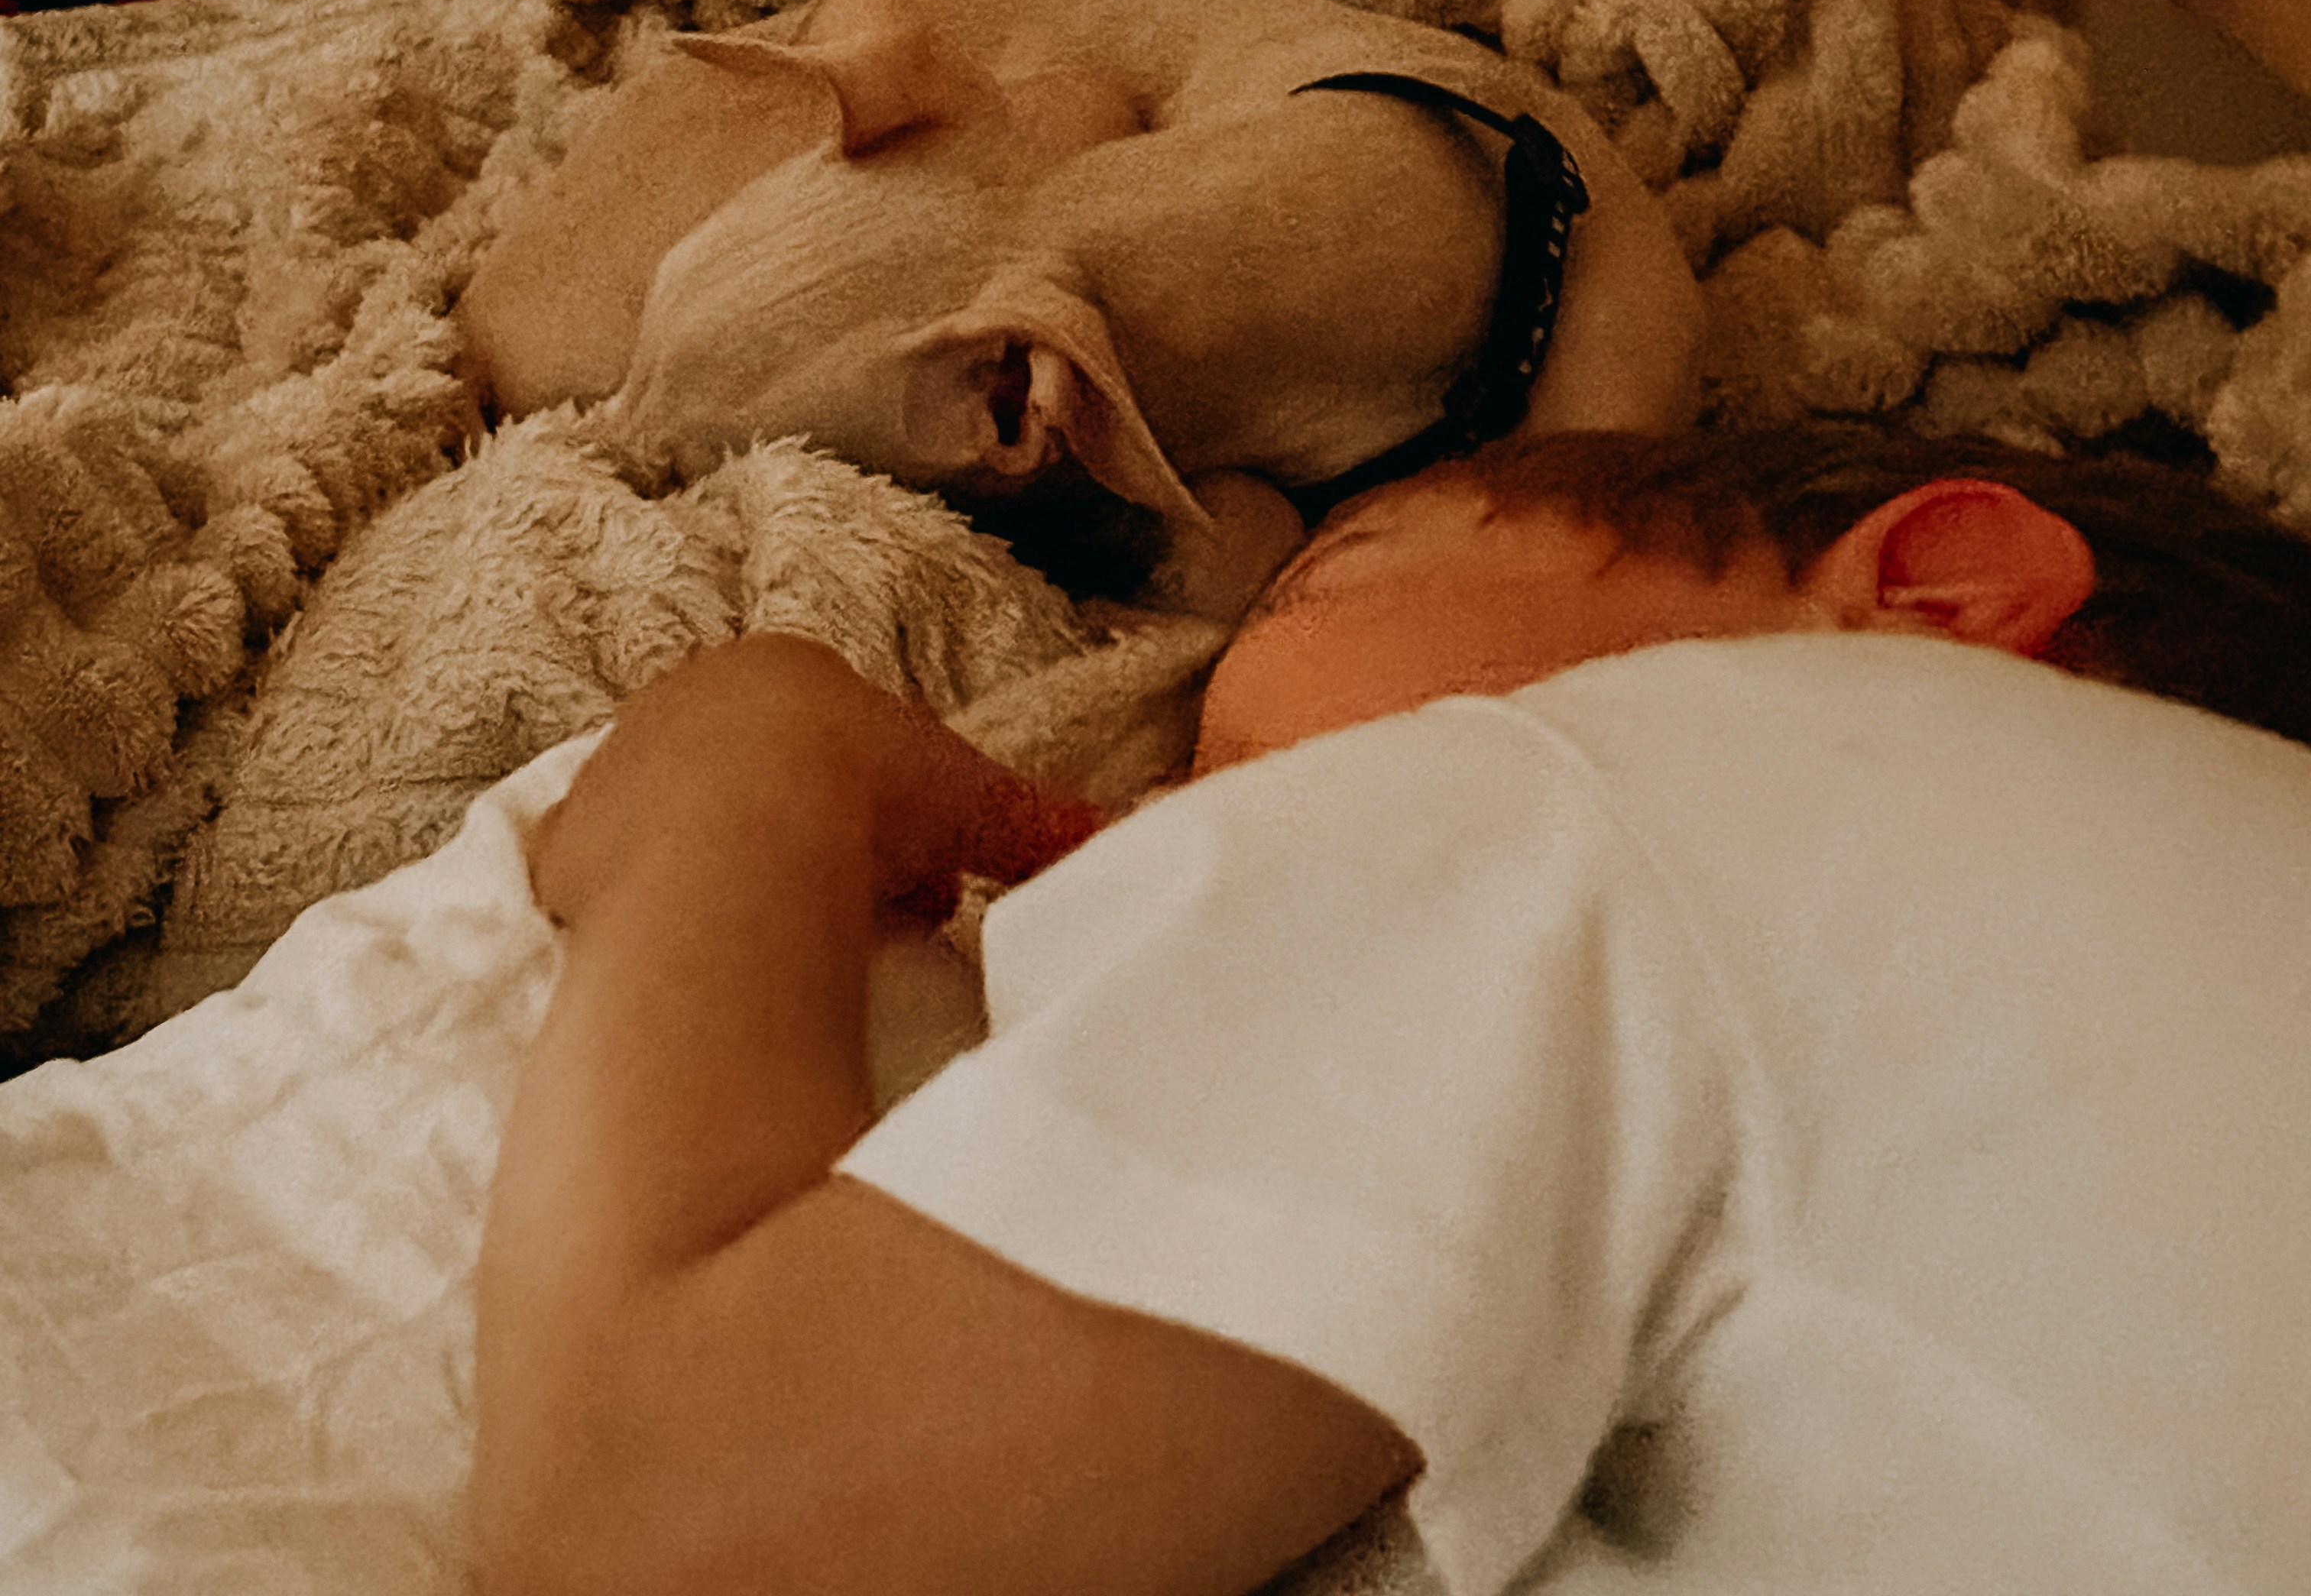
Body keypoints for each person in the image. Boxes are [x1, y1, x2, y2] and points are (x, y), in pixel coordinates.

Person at [471, 426, 2311, 1596]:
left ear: (1934, 590)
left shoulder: (1696, 767)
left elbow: (661, 1523)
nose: (1170, 837)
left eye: (1322, 596)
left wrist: (741, 757)